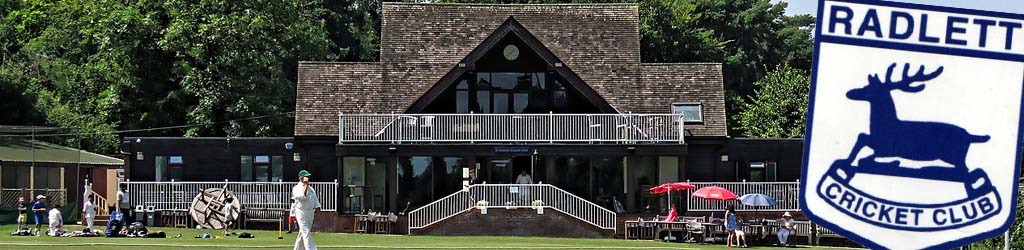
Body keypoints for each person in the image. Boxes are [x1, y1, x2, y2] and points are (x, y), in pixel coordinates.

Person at [292, 170, 321, 250]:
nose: (308, 178)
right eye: (306, 177)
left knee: (303, 233)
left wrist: (318, 212)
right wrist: (305, 185)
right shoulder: (296, 188)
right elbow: (302, 197)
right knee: (306, 232)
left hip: (310, 213)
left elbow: (315, 201)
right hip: (301, 212)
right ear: (301, 178)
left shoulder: (311, 189)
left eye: (308, 176)